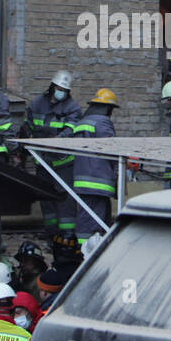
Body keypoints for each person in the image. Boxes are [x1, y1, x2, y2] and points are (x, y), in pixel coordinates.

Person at [24, 69, 83, 236]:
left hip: (63, 162)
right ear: (52, 87)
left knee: (65, 199)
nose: (61, 93)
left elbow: (71, 130)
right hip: (42, 161)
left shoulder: (73, 108)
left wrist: (55, 141)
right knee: (46, 198)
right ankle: (50, 232)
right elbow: (28, 124)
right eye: (59, 89)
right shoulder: (37, 103)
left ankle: (67, 234)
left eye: (64, 91)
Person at [65, 87, 119, 245]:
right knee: (96, 222)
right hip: (99, 181)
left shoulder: (81, 122)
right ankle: (89, 252)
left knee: (86, 217)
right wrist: (116, 175)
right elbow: (111, 151)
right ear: (107, 108)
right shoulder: (103, 122)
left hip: (82, 180)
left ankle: (85, 247)